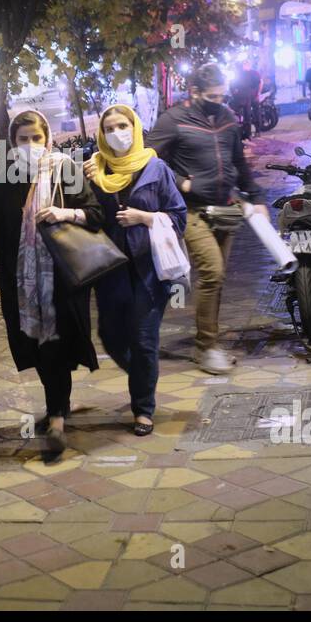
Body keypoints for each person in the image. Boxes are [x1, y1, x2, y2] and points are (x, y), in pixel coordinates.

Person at [0, 109, 103, 456]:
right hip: (21, 281)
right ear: (13, 143)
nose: (30, 145)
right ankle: (59, 402)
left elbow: (95, 213)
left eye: (36, 138)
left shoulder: (64, 170)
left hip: (60, 277)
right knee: (35, 345)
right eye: (22, 139)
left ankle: (56, 417)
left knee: (56, 344)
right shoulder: (7, 178)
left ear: (48, 138)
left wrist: (65, 212)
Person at [146, 63, 262, 375]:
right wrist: (182, 182)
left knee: (218, 276)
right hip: (190, 210)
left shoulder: (227, 118)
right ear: (194, 92)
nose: (219, 102)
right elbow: (148, 158)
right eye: (212, 96)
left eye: (223, 96)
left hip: (225, 208)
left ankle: (209, 342)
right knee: (212, 271)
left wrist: (257, 196)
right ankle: (206, 346)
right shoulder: (173, 121)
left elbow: (239, 161)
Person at [87, 104, 186, 435]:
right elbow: (88, 213)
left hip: (148, 270)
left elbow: (179, 216)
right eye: (109, 128)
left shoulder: (156, 168)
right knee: (110, 336)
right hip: (110, 269)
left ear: (135, 126)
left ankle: (143, 408)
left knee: (144, 340)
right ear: (102, 134)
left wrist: (144, 218)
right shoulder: (94, 171)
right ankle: (144, 377)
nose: (117, 133)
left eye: (122, 125)